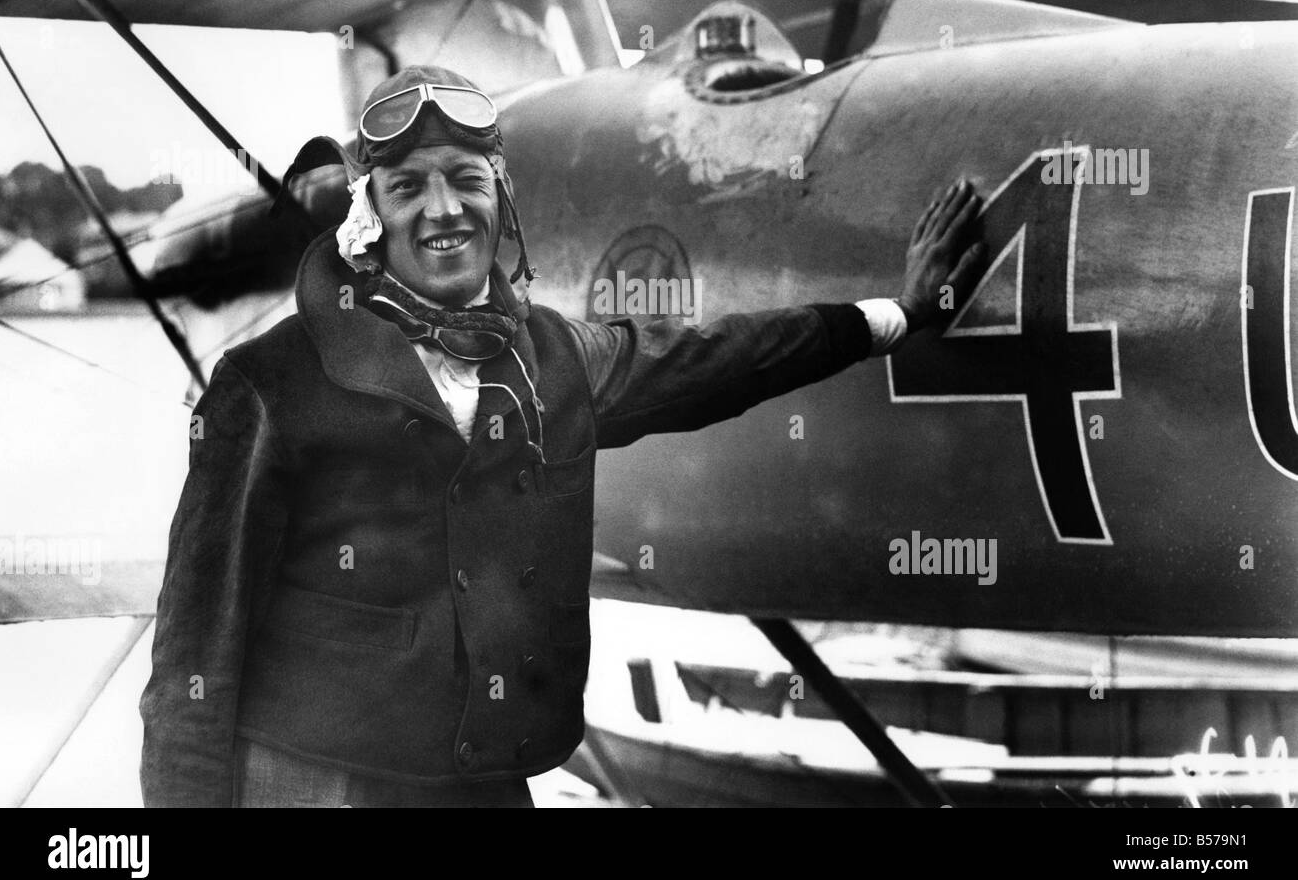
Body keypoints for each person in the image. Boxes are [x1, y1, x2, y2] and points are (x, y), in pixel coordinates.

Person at [139, 64, 984, 807]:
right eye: (408, 188)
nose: (444, 210)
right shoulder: (267, 384)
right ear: (366, 217)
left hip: (480, 781)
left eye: (466, 179)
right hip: (311, 784)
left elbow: (724, 359)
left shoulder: (554, 360)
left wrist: (898, 315)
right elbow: (191, 659)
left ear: (501, 194)